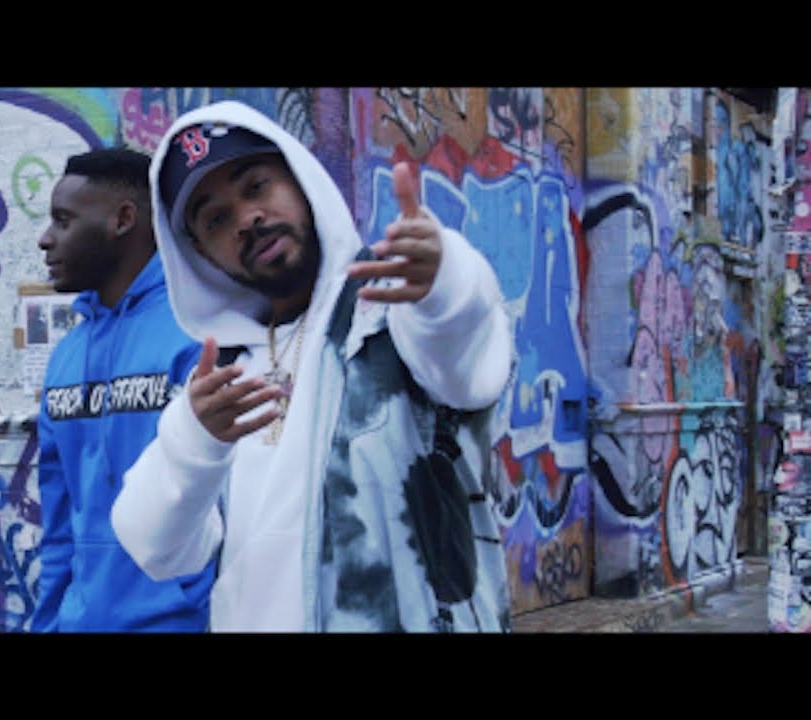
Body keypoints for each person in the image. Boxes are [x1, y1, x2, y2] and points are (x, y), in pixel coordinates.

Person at [110, 100, 514, 632]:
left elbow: (464, 350)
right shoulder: (226, 376)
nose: (247, 219)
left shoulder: (386, 312)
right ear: (201, 255)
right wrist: (195, 440)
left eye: (257, 186)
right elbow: (155, 548)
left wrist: (442, 284)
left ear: (300, 179)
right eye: (216, 219)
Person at [29, 147, 212, 632]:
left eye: (64, 221)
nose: (46, 240)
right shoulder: (67, 356)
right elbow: (60, 523)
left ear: (123, 219)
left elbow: (229, 505)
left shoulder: (197, 336)